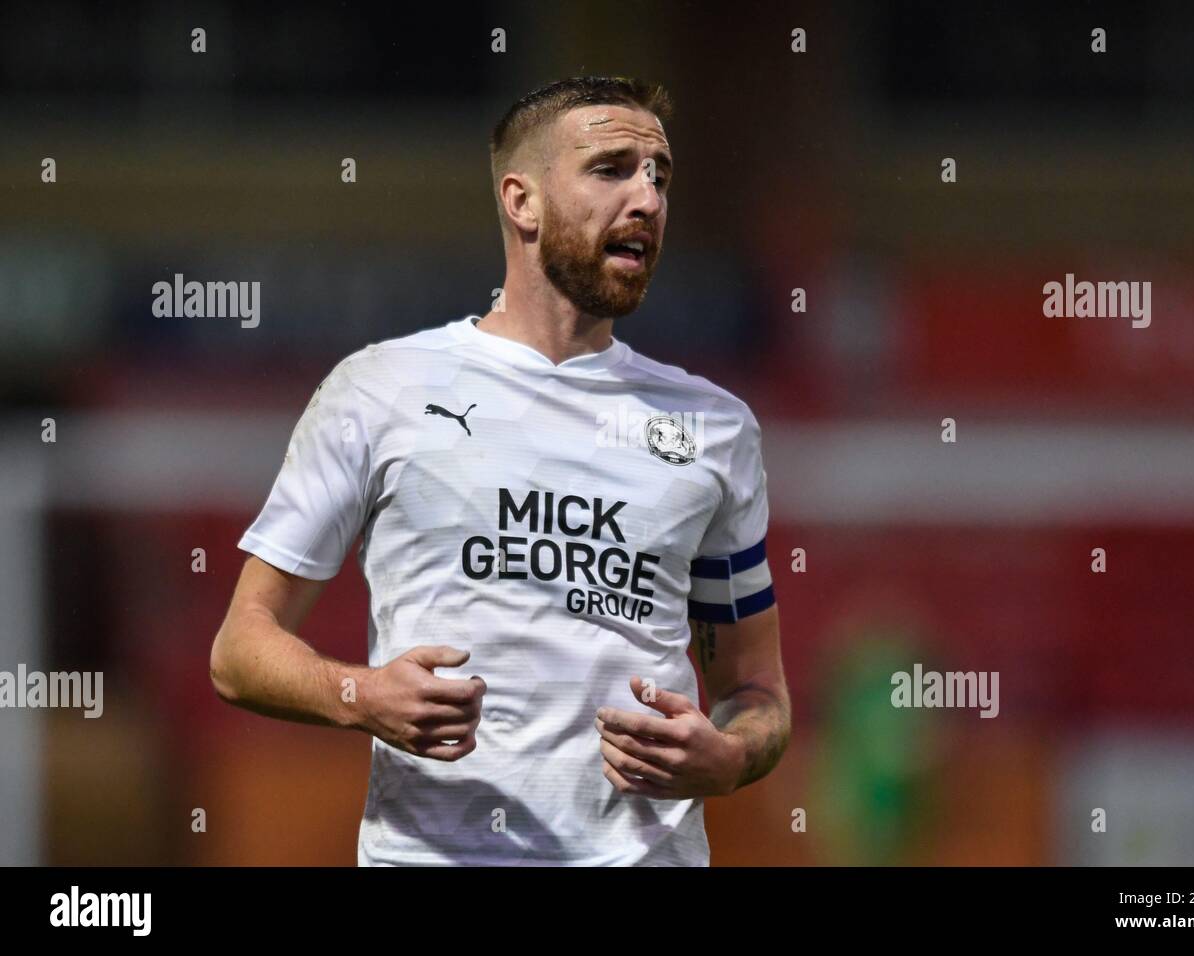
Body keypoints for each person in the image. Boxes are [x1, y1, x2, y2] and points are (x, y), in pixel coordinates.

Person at [209, 75, 791, 865]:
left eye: (660, 176)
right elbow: (241, 650)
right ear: (522, 201)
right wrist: (362, 695)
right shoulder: (383, 388)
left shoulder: (714, 425)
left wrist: (725, 759)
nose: (648, 199)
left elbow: (756, 692)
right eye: (612, 168)